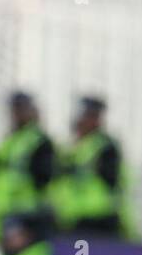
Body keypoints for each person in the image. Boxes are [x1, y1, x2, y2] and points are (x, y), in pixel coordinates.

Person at [50, 97, 128, 236]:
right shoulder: (71, 148)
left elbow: (113, 183)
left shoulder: (105, 147)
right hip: (70, 220)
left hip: (98, 220)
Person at [0, 91, 55, 241]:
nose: (16, 114)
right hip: (7, 211)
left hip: (29, 214)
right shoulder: (11, 140)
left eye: (21, 109)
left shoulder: (39, 140)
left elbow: (45, 178)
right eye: (14, 109)